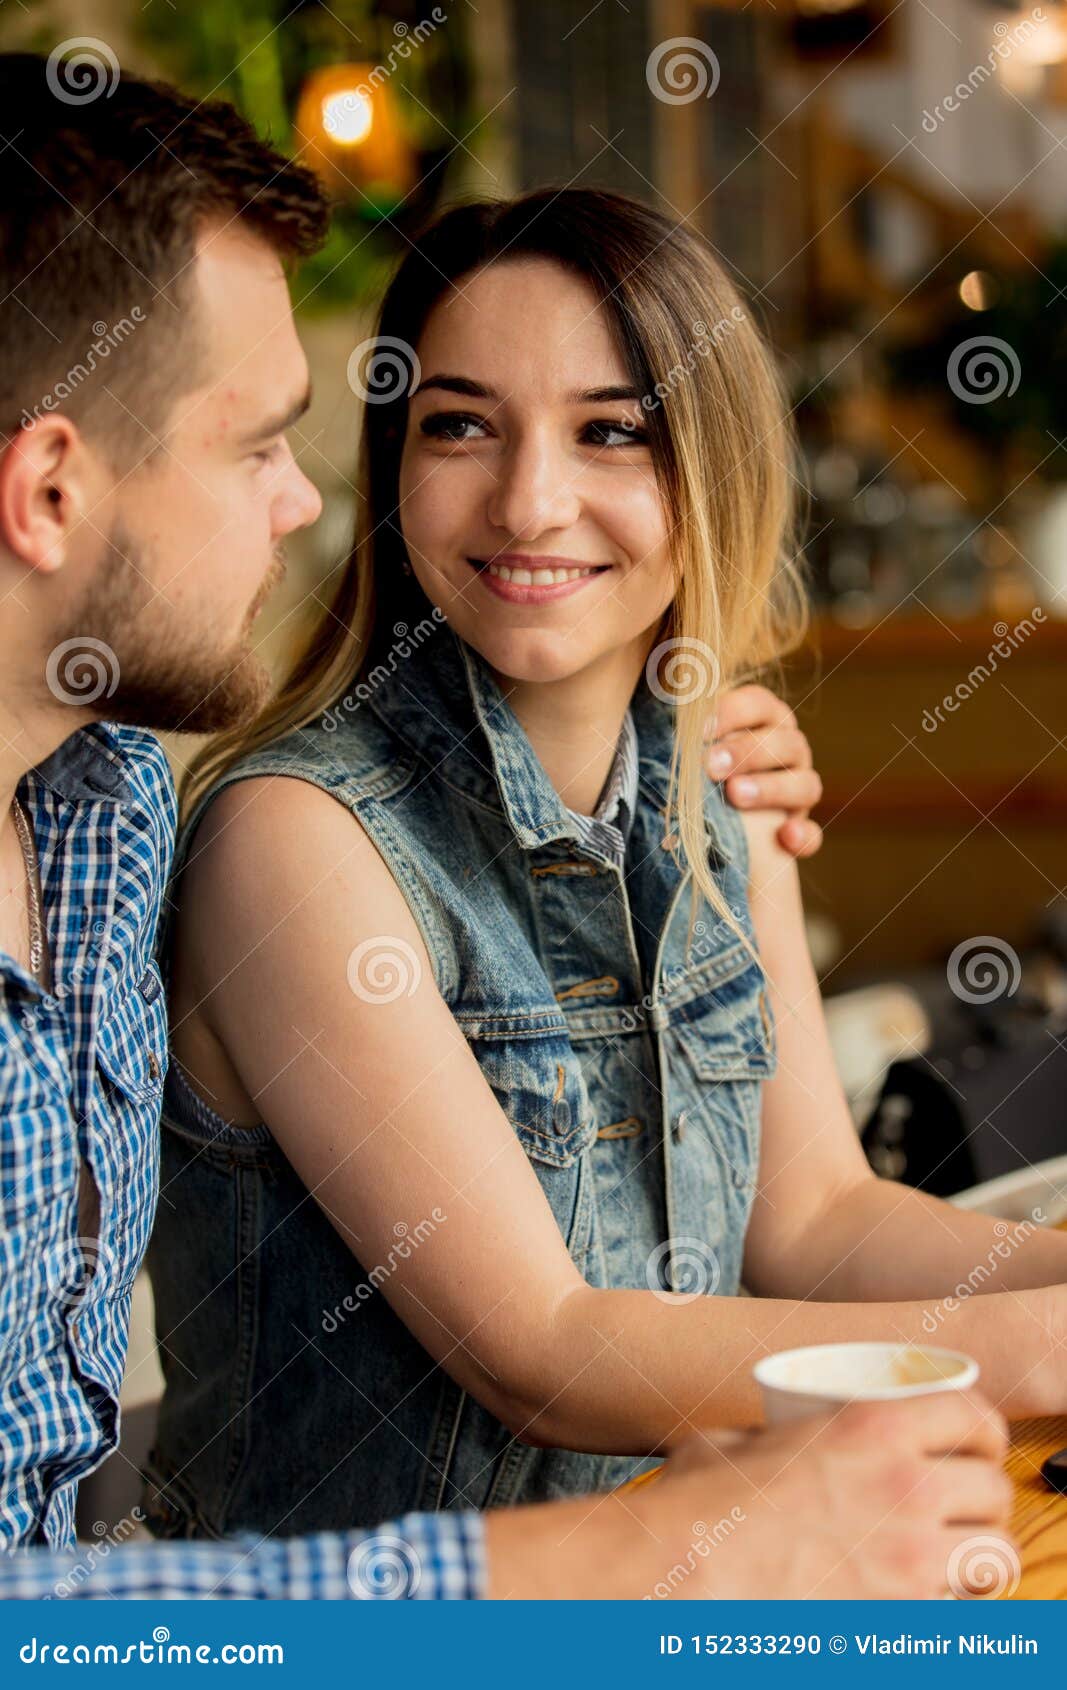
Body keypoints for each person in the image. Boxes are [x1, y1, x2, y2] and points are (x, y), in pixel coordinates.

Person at [0, 49, 1006, 1603]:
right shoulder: (284, 831)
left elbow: (812, 1222)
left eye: (613, 431)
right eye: (459, 426)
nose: (531, 503)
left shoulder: (708, 786)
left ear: (713, 465)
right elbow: (545, 1348)